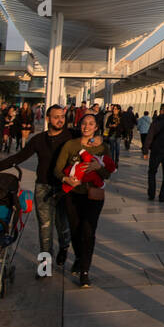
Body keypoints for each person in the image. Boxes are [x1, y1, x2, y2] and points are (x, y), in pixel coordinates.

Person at [0, 104, 74, 272]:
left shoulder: (71, 136)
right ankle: (45, 266)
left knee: (62, 225)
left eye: (62, 117)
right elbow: (21, 156)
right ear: (47, 119)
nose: (60, 120)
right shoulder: (39, 140)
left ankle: (64, 246)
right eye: (56, 117)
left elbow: (89, 139)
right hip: (43, 187)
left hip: (64, 188)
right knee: (45, 227)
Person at [54, 113, 115, 288]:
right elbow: (58, 170)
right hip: (72, 194)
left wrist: (99, 167)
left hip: (93, 195)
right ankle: (79, 258)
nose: (86, 127)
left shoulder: (102, 148)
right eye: (84, 124)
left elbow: (108, 173)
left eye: (91, 124)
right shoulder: (70, 145)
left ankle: (85, 271)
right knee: (75, 229)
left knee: (88, 231)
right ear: (79, 126)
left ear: (96, 127)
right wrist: (66, 180)